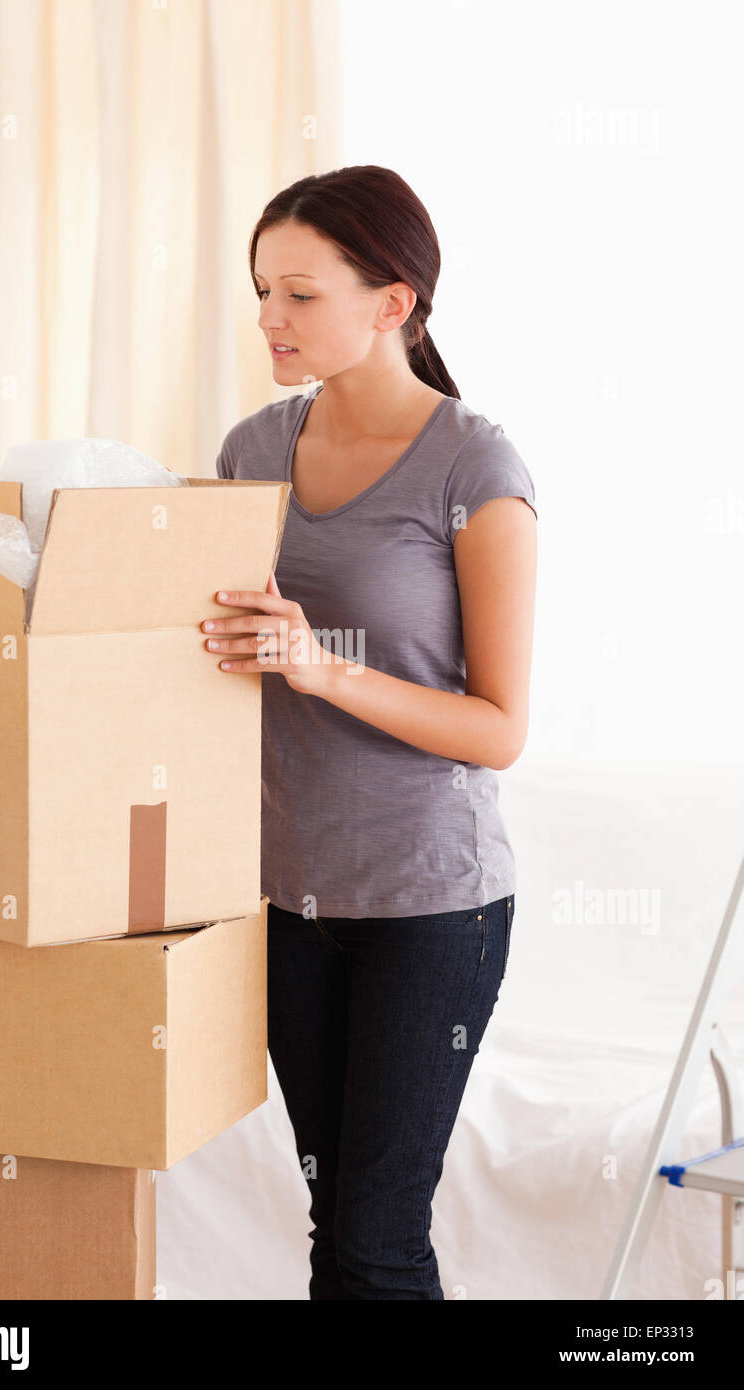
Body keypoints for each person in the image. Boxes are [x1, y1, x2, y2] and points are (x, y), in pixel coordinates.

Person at [204, 165, 538, 1300]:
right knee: (331, 1225)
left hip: (431, 906)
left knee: (376, 1239)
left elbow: (498, 729)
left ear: (390, 303)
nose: (267, 319)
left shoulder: (473, 468)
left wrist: (319, 666)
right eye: (260, 291)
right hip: (289, 899)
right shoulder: (249, 451)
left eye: (298, 294)